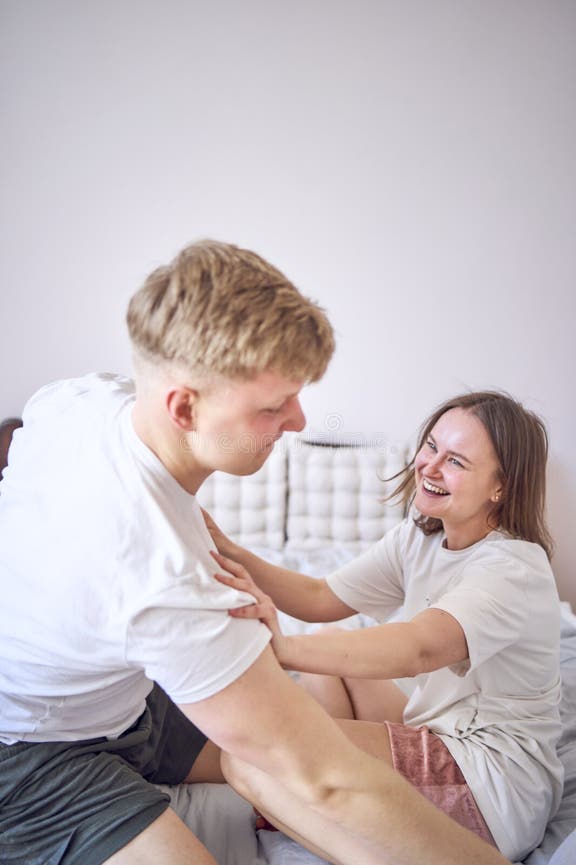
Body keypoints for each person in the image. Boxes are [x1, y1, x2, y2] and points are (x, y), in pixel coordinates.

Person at [0, 239, 510, 865]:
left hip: (131, 695)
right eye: (273, 406)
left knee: (298, 752)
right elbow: (324, 777)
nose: (299, 422)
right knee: (309, 765)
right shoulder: (165, 577)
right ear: (183, 407)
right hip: (32, 753)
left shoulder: (74, 399)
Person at [208, 390, 563, 864]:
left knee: (248, 758)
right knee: (328, 646)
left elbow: (419, 648)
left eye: (455, 461)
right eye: (431, 446)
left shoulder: (512, 567)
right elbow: (322, 597)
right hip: (442, 731)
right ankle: (336, 794)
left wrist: (283, 648)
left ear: (501, 487)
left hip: (491, 786)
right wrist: (229, 551)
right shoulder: (421, 536)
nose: (430, 466)